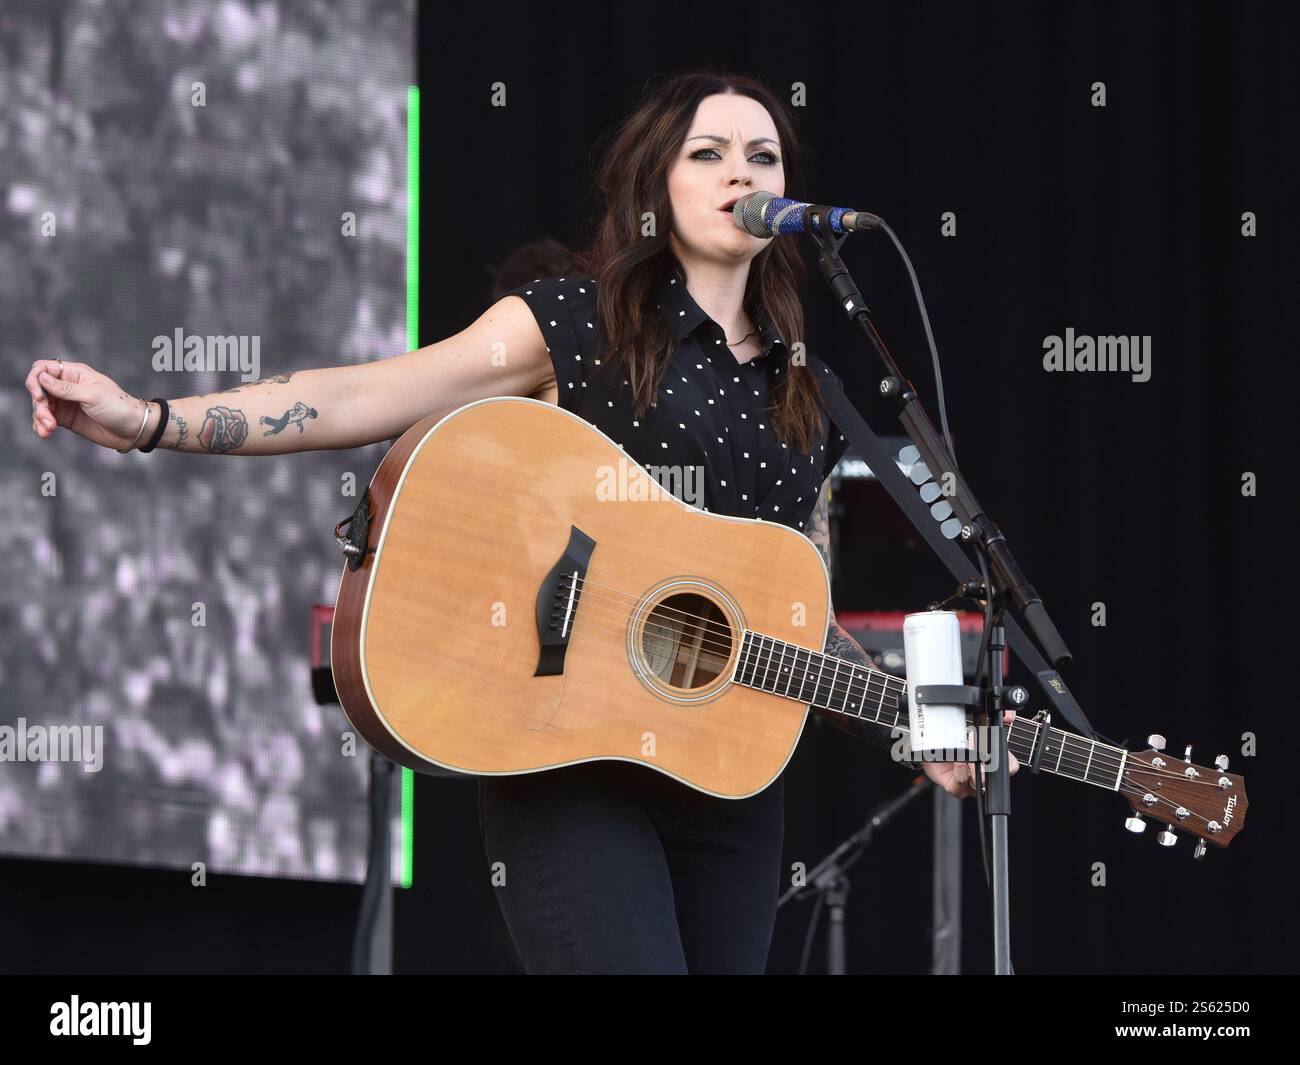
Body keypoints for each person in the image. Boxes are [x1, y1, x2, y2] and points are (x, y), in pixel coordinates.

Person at [25, 69, 1017, 974]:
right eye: (706, 154)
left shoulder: (806, 394)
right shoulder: (573, 321)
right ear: (655, 186)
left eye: (761, 157)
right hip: (566, 758)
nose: (737, 173)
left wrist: (916, 721)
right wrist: (152, 421)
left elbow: (798, 617)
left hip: (726, 791)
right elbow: (367, 396)